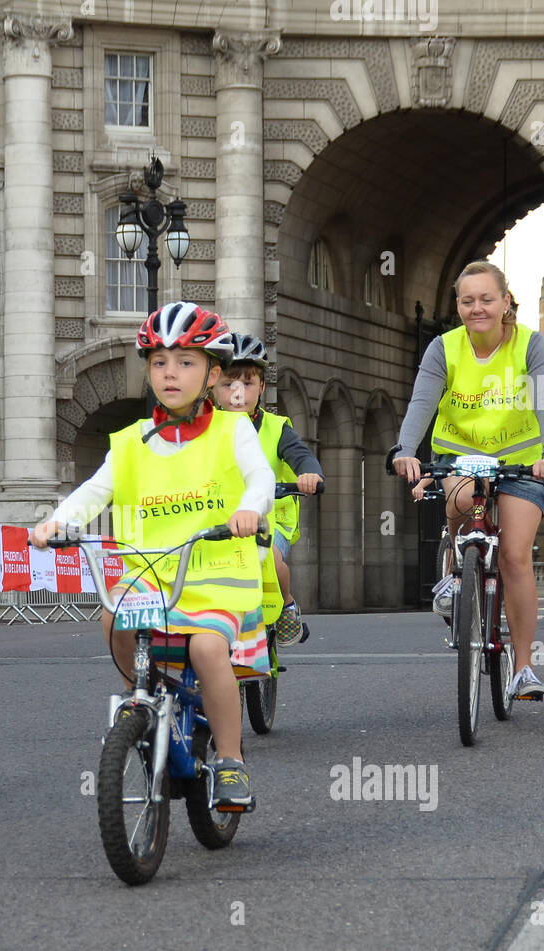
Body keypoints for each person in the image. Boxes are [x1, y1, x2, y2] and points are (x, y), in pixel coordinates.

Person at [31, 301, 273, 810]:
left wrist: (250, 511)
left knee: (207, 650)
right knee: (112, 614)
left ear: (213, 375)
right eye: (160, 361)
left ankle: (230, 761)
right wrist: (58, 522)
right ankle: (136, 695)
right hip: (150, 574)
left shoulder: (235, 430)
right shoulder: (129, 443)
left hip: (216, 576)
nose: (171, 373)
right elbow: (93, 493)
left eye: (186, 362)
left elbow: (260, 480)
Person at [391, 260, 544, 701]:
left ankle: (523, 668)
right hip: (460, 454)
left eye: (487, 299)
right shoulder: (443, 349)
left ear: (505, 302)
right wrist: (404, 450)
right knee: (464, 500)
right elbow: (422, 402)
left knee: (514, 556)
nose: (477, 308)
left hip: (523, 461)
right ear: (458, 305)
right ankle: (455, 567)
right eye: (467, 301)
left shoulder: (531, 345)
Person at [211, 331, 324, 643]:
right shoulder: (205, 429)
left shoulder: (277, 428)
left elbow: (302, 457)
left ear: (261, 387)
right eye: (228, 384)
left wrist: (309, 475)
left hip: (273, 519)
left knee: (270, 557)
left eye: (247, 384)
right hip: (220, 515)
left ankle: (286, 605)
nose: (238, 393)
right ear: (214, 386)